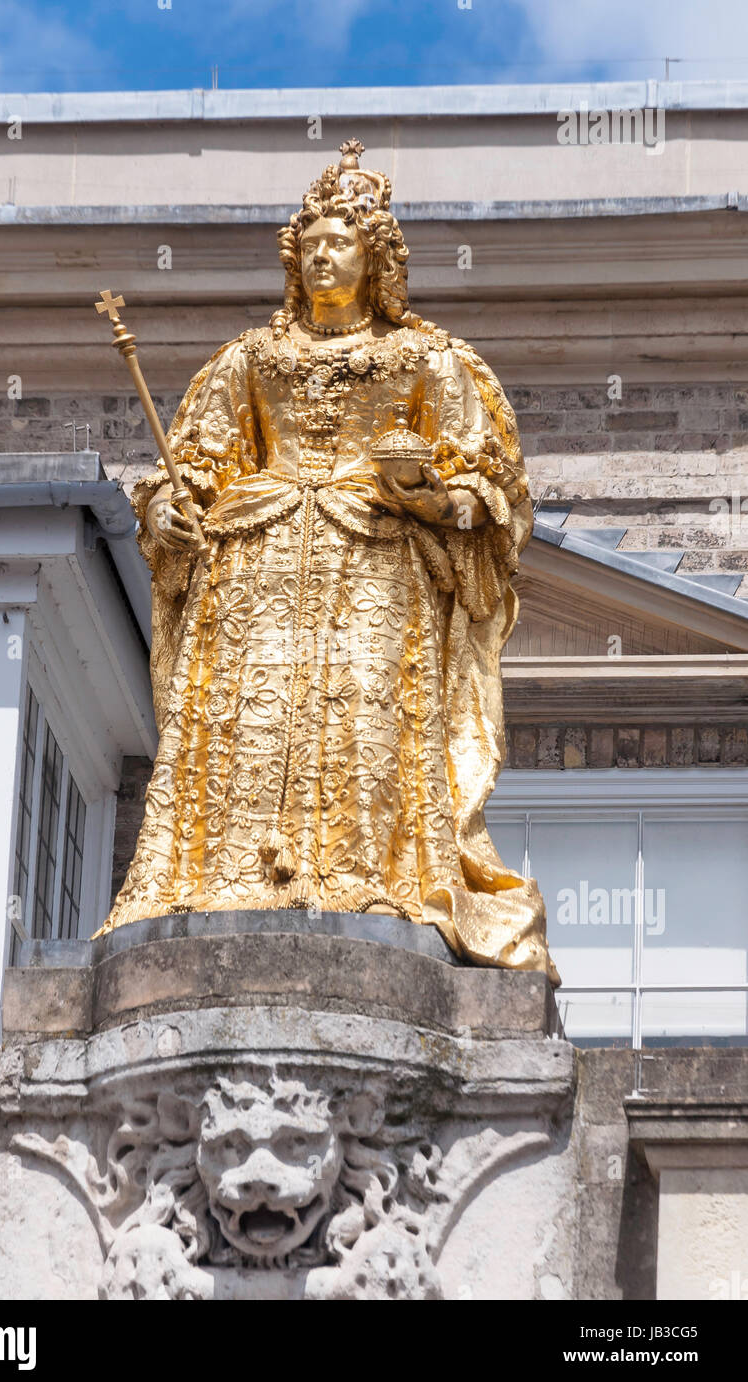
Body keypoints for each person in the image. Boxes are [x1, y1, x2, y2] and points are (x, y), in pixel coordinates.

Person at [99, 139, 559, 986]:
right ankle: (218, 879)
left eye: (337, 242)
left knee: (370, 714)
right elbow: (195, 463)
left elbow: (486, 492)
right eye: (307, 243)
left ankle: (377, 880)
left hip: (377, 563)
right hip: (254, 563)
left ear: (374, 256)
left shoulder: (430, 362)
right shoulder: (247, 359)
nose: (319, 256)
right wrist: (168, 511)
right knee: (246, 715)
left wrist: (429, 494)